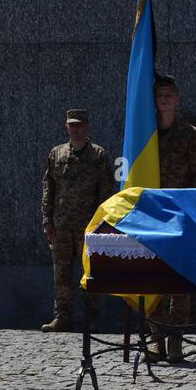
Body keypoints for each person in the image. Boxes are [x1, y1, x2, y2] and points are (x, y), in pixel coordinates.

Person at [148, 74, 196, 363]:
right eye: (159, 94)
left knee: (179, 281)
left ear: (178, 100)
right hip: (150, 215)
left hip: (180, 215)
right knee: (151, 280)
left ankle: (175, 339)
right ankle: (156, 339)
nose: (164, 99)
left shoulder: (190, 135)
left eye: (169, 95)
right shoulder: (144, 133)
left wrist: (190, 210)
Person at [40, 109, 116, 332]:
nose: (76, 129)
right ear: (66, 127)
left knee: (90, 273)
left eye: (80, 125)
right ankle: (62, 316)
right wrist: (47, 220)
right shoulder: (57, 154)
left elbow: (105, 193)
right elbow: (48, 188)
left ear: (87, 127)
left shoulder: (98, 156)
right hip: (61, 225)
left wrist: (103, 225)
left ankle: (90, 317)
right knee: (61, 273)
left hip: (88, 226)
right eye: (72, 125)